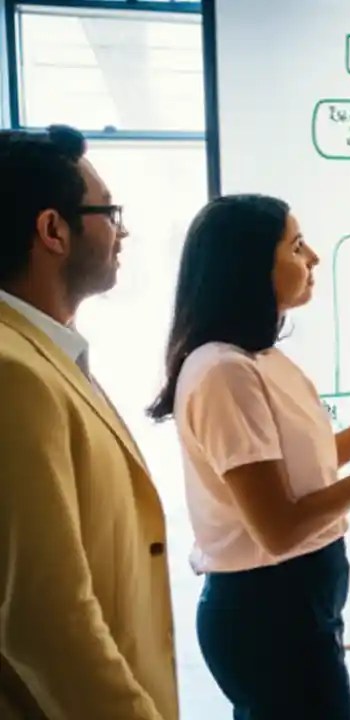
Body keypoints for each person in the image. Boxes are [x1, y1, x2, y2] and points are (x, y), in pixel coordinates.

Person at [146, 194, 350, 719]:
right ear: (250, 265)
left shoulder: (259, 359)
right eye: (296, 246)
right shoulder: (224, 371)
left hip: (295, 606)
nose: (313, 257)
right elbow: (279, 527)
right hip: (269, 613)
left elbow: (312, 465)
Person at [0, 125, 179, 719]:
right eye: (109, 212)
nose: (121, 231)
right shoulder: (12, 372)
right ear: (53, 230)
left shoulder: (42, 353)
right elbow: (47, 620)